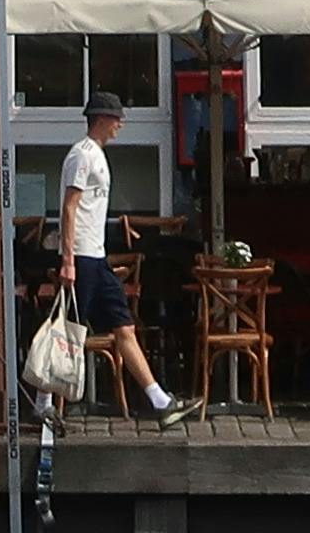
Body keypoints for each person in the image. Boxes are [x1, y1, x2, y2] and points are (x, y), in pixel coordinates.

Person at [57, 90, 180, 422]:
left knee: (124, 327)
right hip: (81, 257)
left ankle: (159, 401)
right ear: (101, 119)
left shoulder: (96, 155)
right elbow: (69, 208)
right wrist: (68, 259)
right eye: (116, 119)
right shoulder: (81, 156)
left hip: (97, 257)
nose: (120, 125)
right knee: (68, 332)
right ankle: (44, 402)